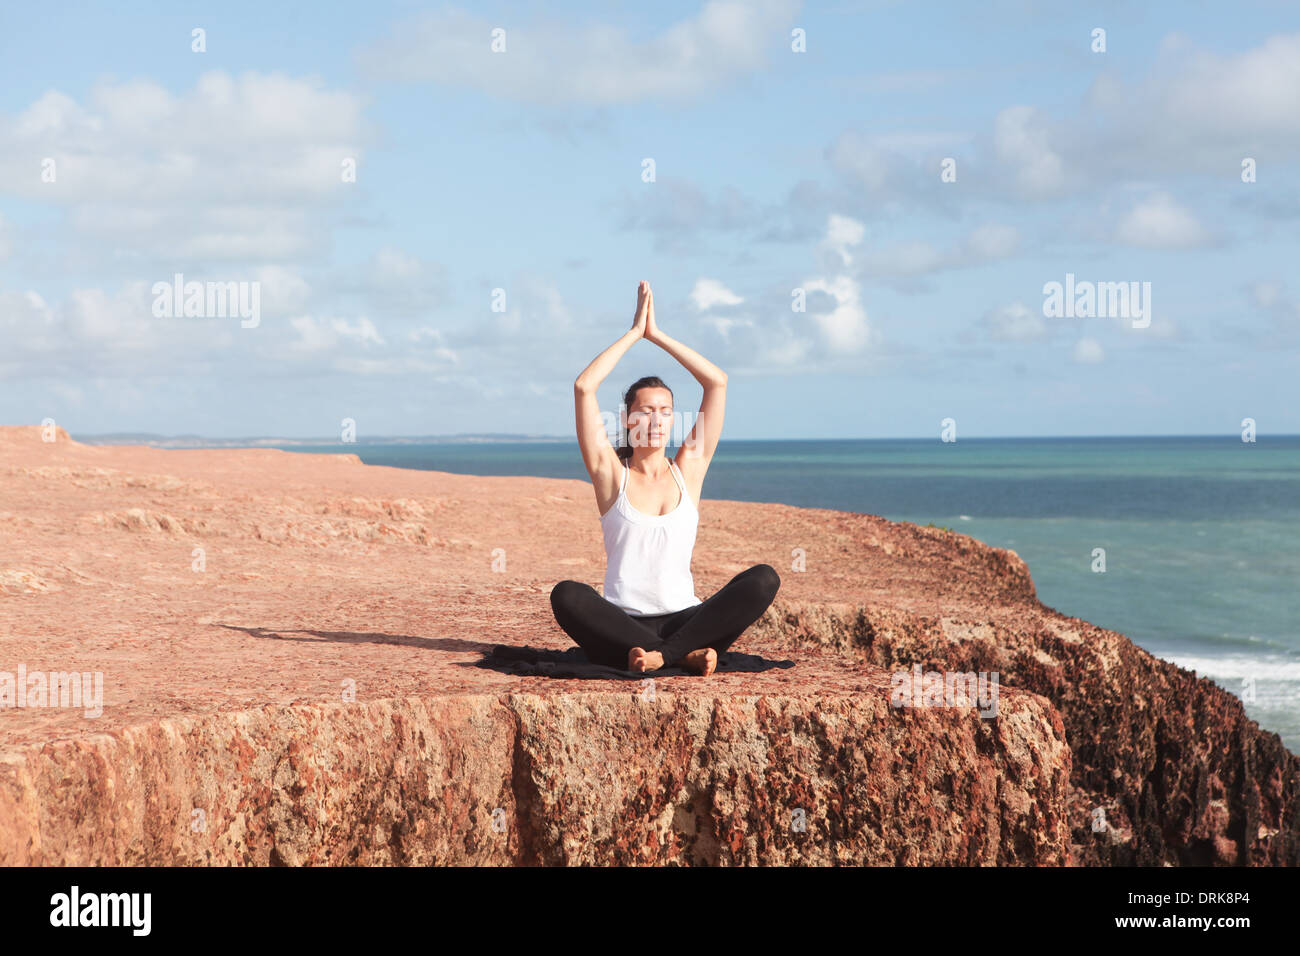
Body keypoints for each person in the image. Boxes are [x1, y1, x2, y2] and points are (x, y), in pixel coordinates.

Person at [550, 280, 780, 676]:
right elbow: (584, 386)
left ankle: (663, 654)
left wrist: (658, 336)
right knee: (567, 595)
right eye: (645, 411)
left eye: (665, 410)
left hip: (687, 622)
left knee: (763, 580)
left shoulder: (688, 468)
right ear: (626, 419)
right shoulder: (610, 474)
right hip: (621, 625)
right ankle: (681, 655)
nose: (656, 420)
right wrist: (634, 334)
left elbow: (717, 382)